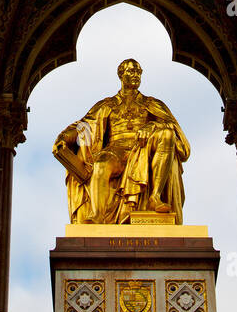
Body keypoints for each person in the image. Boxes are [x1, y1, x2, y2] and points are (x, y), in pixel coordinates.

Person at [53, 58, 190, 224]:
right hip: (115, 151)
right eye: (131, 71)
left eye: (138, 72)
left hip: (143, 149)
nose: (136, 75)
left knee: (167, 134)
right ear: (121, 75)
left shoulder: (152, 104)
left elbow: (172, 127)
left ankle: (155, 196)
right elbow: (84, 126)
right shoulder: (107, 104)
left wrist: (152, 126)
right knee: (101, 163)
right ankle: (97, 214)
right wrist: (64, 138)